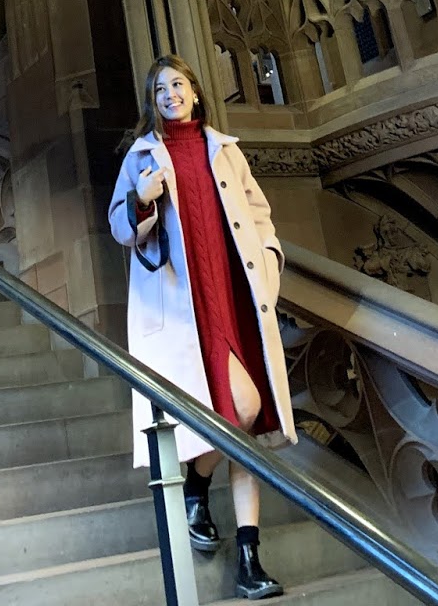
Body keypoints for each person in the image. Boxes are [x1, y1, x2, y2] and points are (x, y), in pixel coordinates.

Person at [109, 53, 297, 600]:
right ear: (153, 101)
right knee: (237, 415)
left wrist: (269, 259)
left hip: (234, 300)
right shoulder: (142, 155)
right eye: (161, 87)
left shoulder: (226, 150)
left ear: (194, 91)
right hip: (185, 309)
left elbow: (259, 216)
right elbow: (121, 227)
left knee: (244, 413)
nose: (171, 93)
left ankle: (230, 532)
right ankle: (232, 536)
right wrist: (141, 200)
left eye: (179, 84)